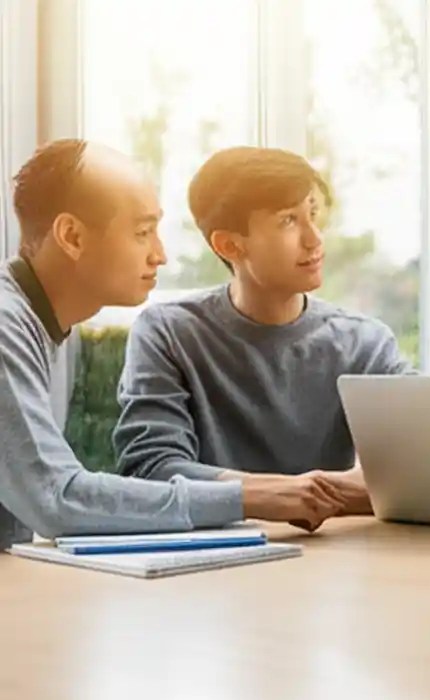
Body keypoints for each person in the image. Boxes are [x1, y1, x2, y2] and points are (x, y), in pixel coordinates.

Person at [0, 139, 348, 549]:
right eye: (143, 232)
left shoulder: (48, 327)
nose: (160, 255)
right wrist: (251, 497)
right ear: (72, 236)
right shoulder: (7, 326)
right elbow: (55, 498)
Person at [112, 147, 413, 516]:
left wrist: (311, 493)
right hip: (214, 557)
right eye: (288, 221)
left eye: (313, 213)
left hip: (339, 556)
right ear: (229, 245)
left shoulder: (364, 342)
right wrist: (287, 496)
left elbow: (422, 464)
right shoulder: (168, 334)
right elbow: (152, 470)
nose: (315, 239)